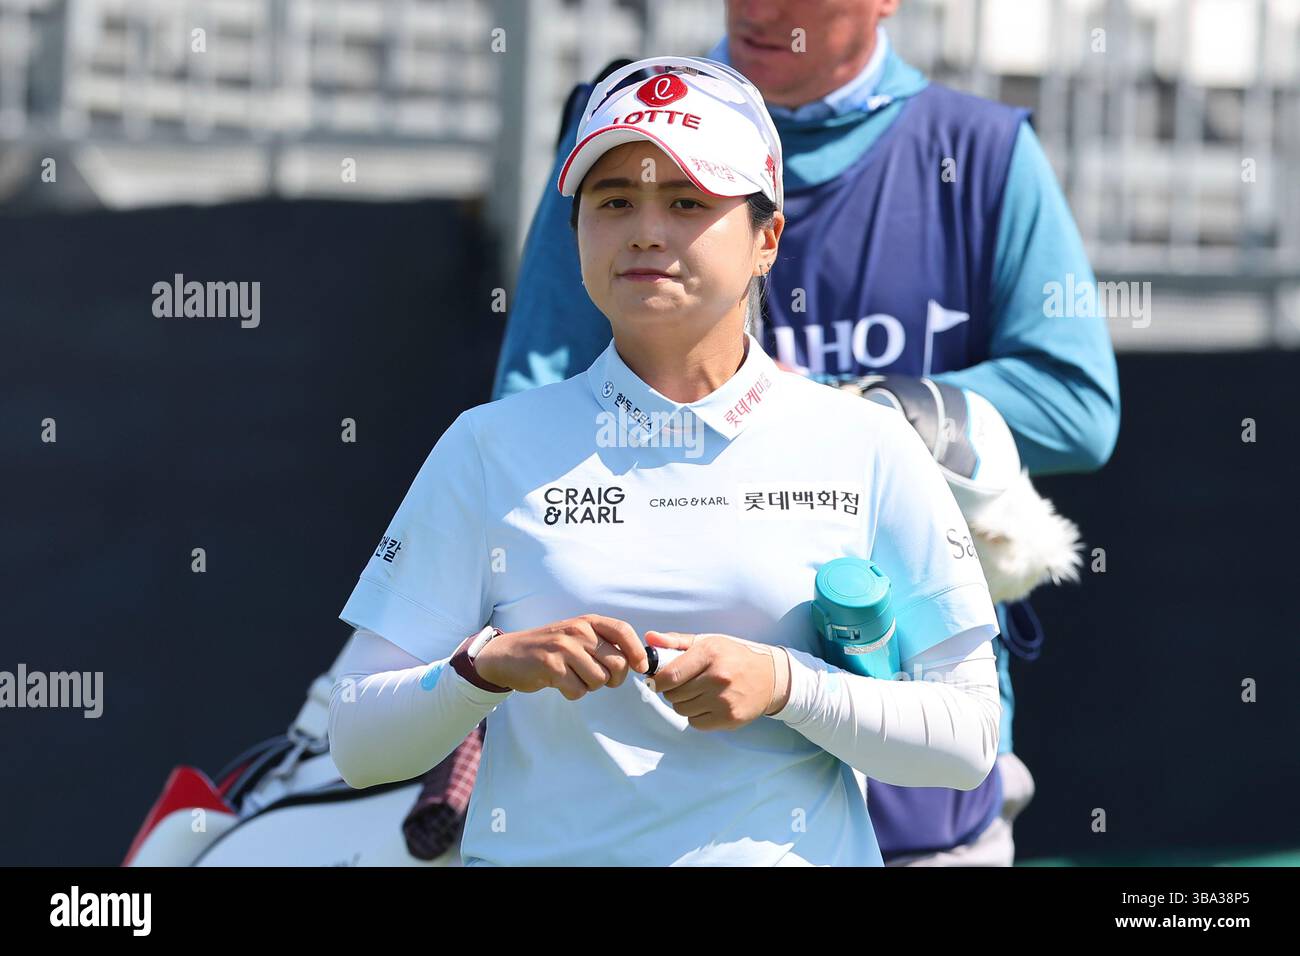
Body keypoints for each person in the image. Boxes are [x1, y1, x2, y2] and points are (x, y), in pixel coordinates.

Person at [329, 56, 1002, 866]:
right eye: (614, 202)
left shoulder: (866, 442)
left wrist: (788, 687)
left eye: (687, 202)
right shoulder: (486, 445)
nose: (646, 230)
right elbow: (359, 740)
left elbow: (966, 741)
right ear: (576, 230)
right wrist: (485, 668)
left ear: (767, 239)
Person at [490, 1, 1121, 865]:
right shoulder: (619, 123)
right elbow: (532, 392)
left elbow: (1077, 403)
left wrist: (818, 409)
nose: (760, 8)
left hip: (912, 761)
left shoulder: (982, 150)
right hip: (645, 773)